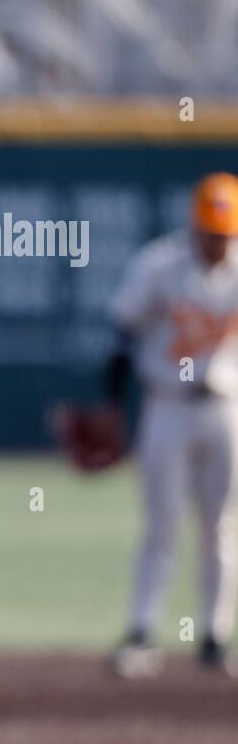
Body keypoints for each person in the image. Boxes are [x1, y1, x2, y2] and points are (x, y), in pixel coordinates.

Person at [107, 173, 238, 678]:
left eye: (224, 235)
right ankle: (142, 633)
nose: (216, 243)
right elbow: (122, 332)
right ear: (194, 227)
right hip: (167, 405)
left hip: (226, 407)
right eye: (210, 232)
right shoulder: (160, 265)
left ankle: (214, 637)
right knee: (161, 524)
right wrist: (114, 407)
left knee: (221, 526)